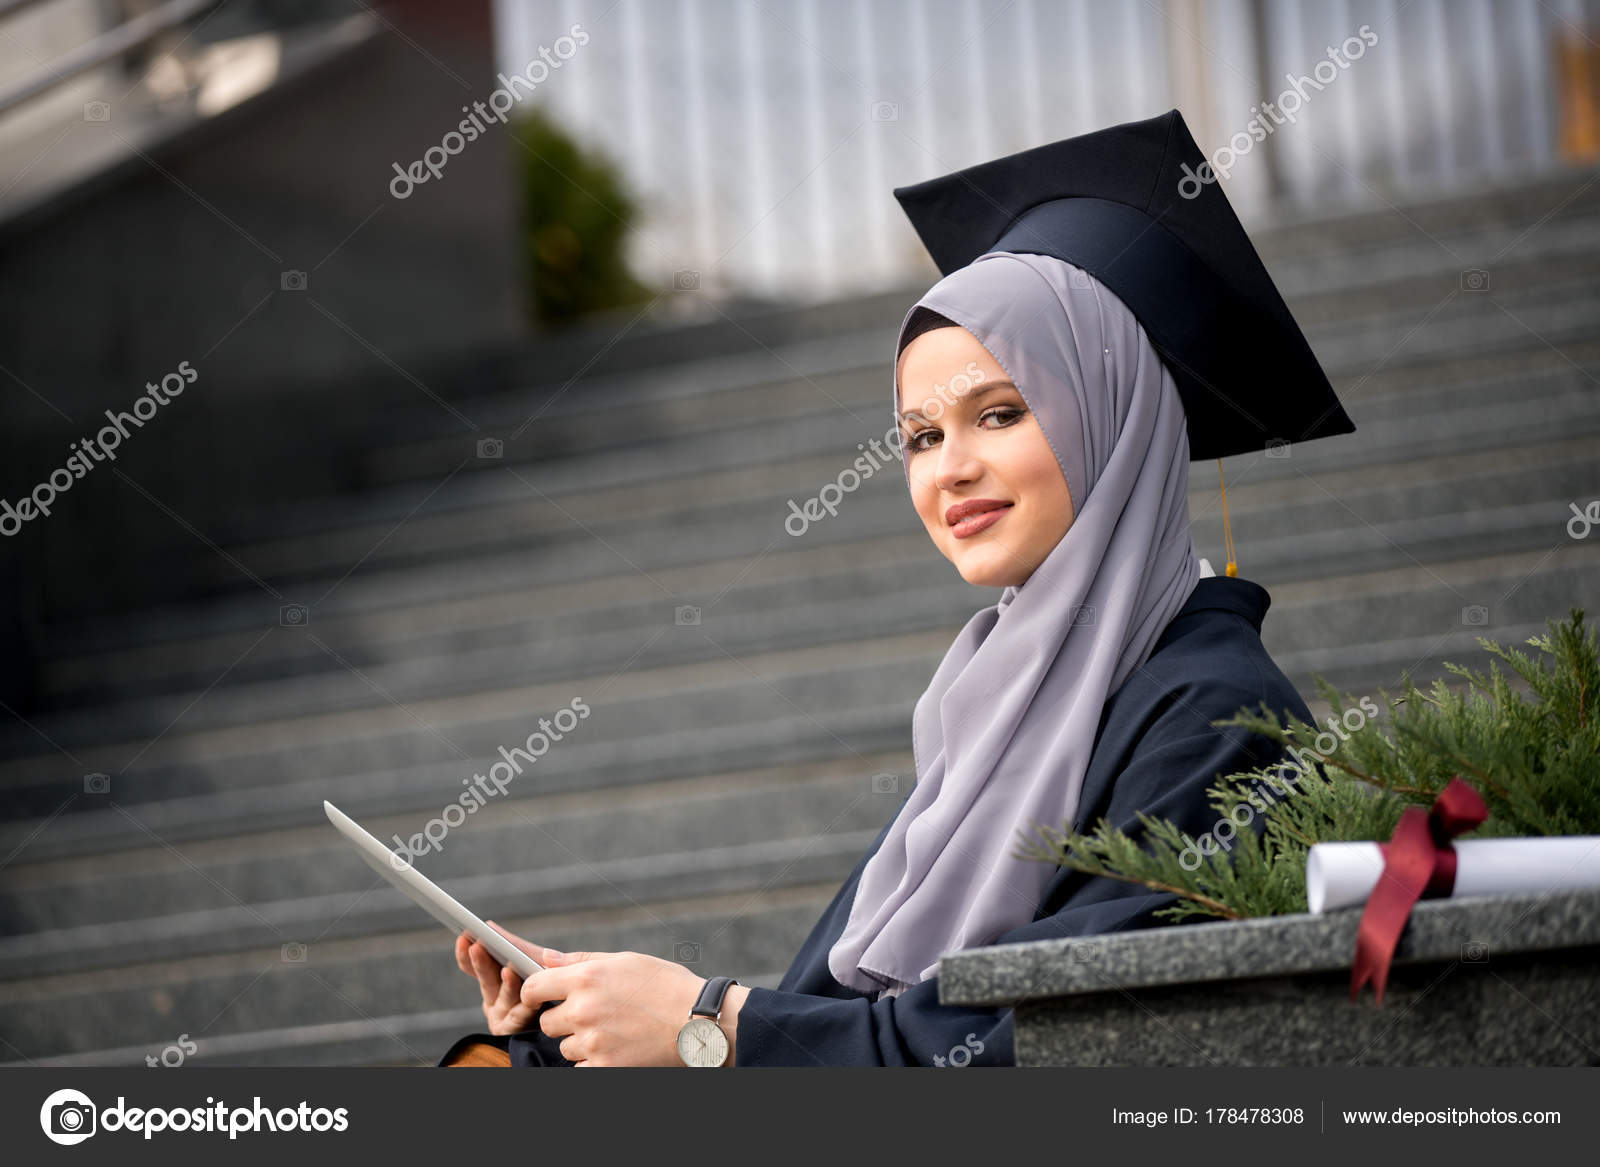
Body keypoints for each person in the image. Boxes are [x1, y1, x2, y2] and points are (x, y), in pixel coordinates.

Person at [435, 108, 1355, 1068]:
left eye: (999, 412)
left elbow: (1036, 1048)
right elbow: (835, 1022)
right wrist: (576, 1026)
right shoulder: (997, 703)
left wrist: (709, 1021)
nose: (948, 468)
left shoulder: (1218, 717)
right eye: (920, 435)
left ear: (1118, 417)